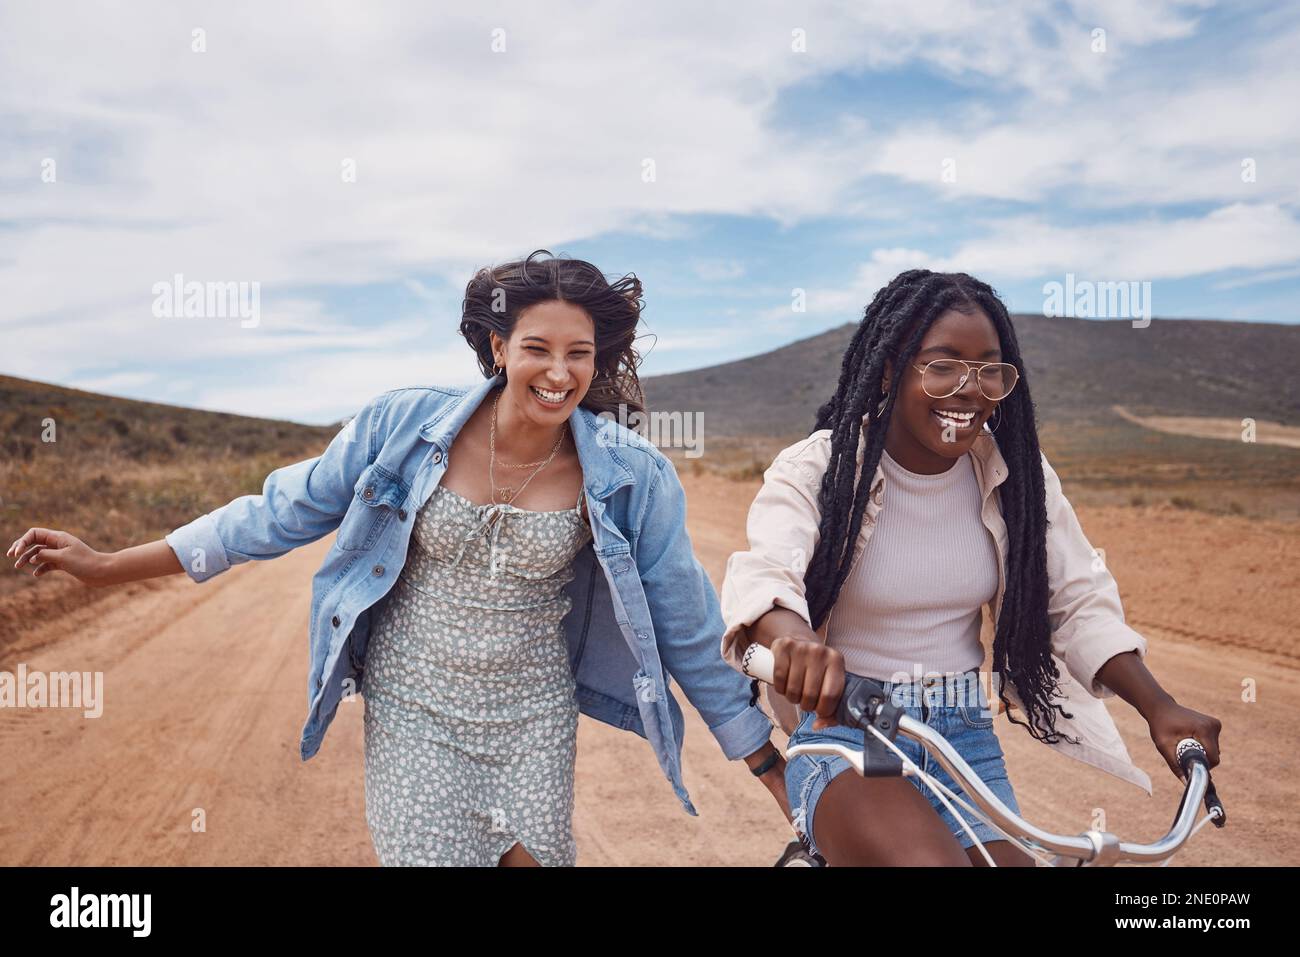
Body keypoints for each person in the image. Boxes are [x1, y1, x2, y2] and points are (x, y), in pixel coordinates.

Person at [7, 249, 788, 866]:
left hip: (532, 714)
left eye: (578, 354)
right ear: (498, 345)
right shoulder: (400, 428)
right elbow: (275, 514)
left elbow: (684, 617)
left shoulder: (628, 473)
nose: (559, 372)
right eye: (538, 348)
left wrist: (767, 763)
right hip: (415, 705)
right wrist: (109, 564)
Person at [720, 269, 1223, 867]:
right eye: (942, 366)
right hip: (849, 732)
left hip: (964, 737)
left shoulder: (1016, 475)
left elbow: (1077, 598)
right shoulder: (819, 469)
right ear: (889, 369)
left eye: (990, 370)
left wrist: (1159, 706)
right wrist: (795, 643)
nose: (971, 388)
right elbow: (766, 576)